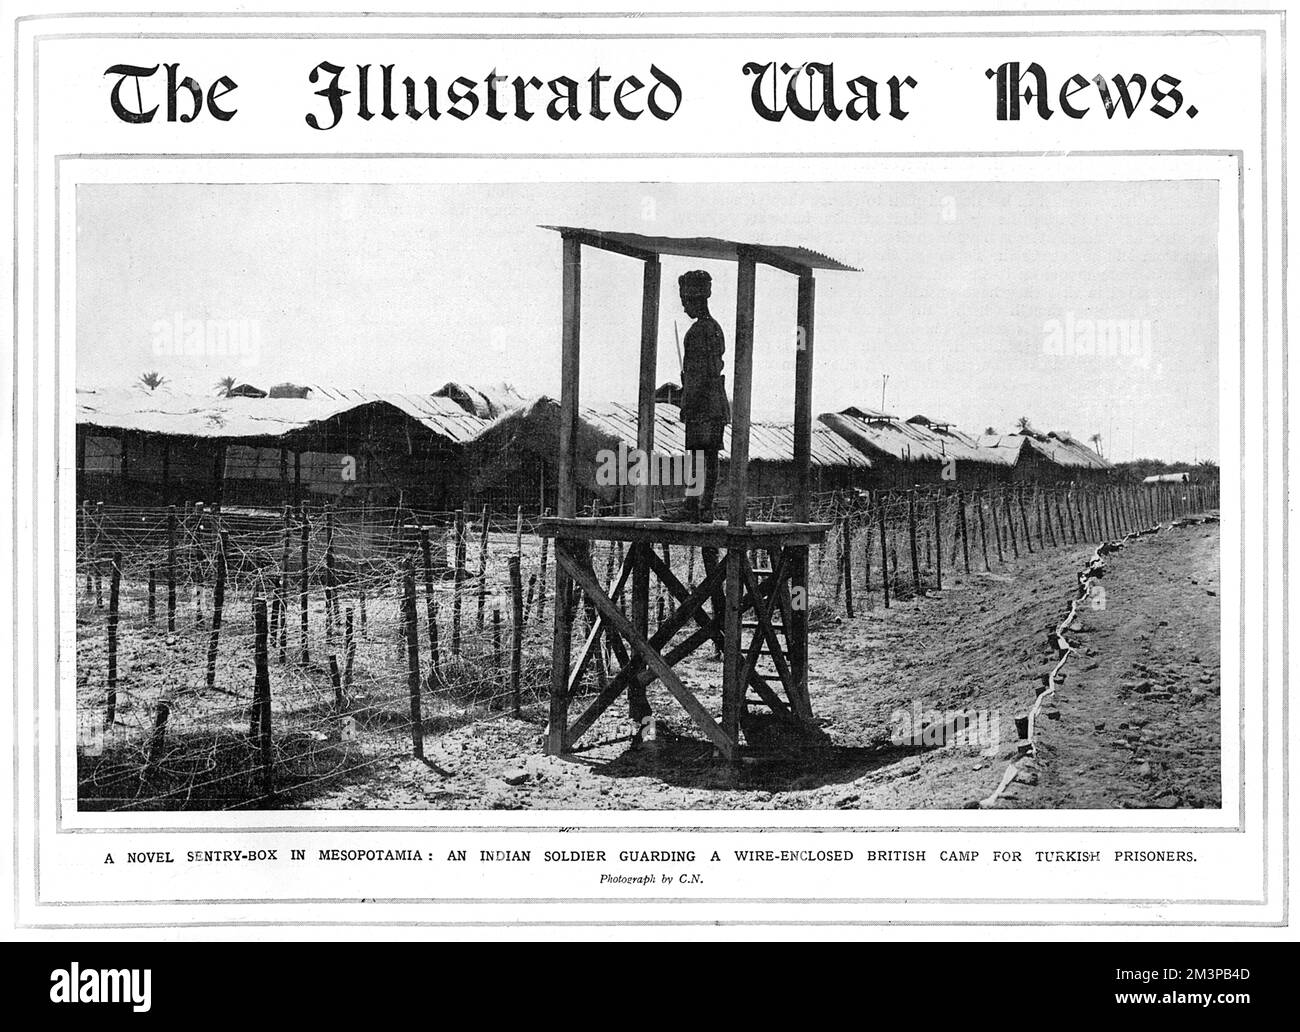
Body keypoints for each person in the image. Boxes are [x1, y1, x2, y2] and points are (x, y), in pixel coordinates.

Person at [662, 269, 730, 522]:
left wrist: (686, 402)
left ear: (694, 299)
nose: (683, 308)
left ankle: (692, 507)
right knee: (709, 457)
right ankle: (705, 508)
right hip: (716, 403)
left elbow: (697, 376)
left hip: (702, 403)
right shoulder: (715, 328)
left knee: (698, 458)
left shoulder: (696, 332)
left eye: (685, 301)